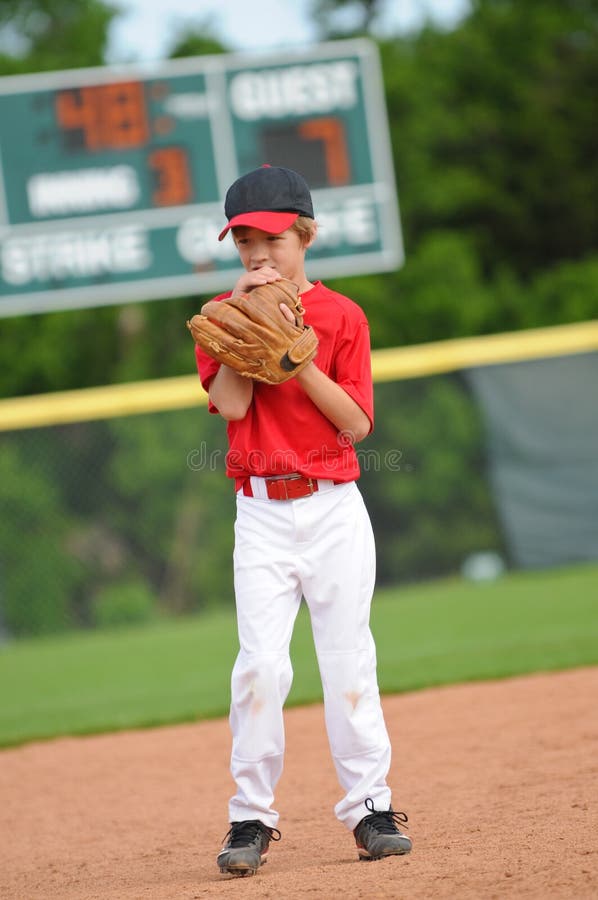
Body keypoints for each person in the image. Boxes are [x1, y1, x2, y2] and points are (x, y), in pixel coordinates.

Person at [193, 165, 412, 877]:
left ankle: (370, 809)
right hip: (259, 513)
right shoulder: (223, 314)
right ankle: (249, 819)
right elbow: (228, 406)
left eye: (272, 237)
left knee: (349, 660)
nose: (257, 252)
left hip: (332, 510)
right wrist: (245, 323)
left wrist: (297, 356)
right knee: (260, 666)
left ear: (306, 234)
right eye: (244, 240)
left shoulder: (343, 317)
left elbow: (354, 423)